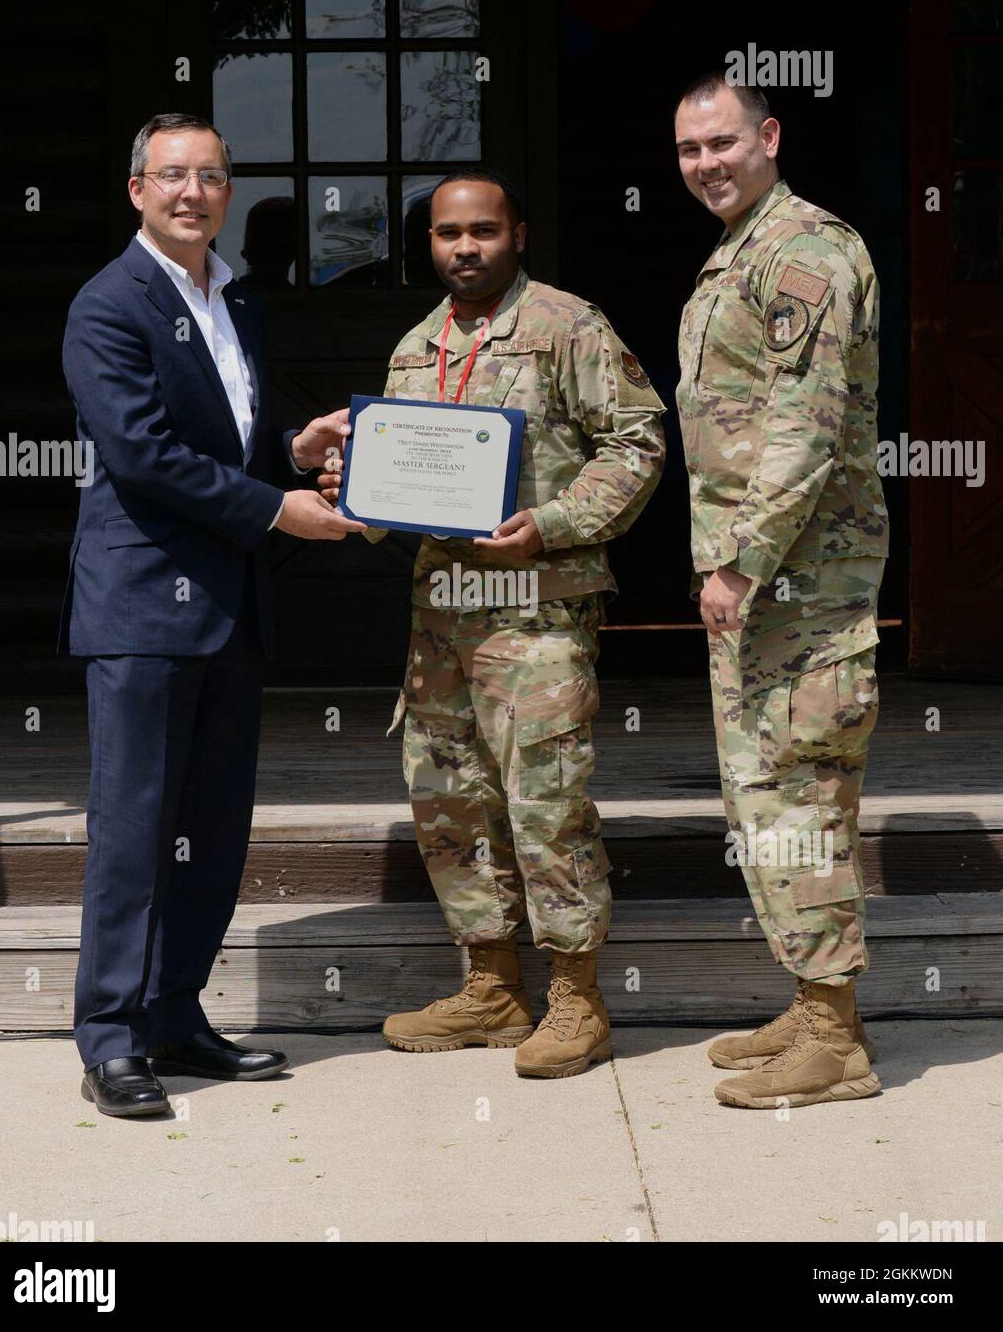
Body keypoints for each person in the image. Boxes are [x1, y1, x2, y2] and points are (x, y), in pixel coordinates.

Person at [319, 168, 666, 1079]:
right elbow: (404, 482)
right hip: (443, 611)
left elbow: (639, 443)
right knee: (450, 797)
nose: (463, 248)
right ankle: (491, 988)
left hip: (537, 606)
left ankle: (577, 1000)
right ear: (426, 243)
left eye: (481, 231)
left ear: (517, 233)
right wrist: (354, 492)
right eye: (445, 234)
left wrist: (551, 524)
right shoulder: (415, 347)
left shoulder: (566, 325)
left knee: (547, 801)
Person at [60, 112, 364, 1117]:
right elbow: (145, 455)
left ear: (229, 191)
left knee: (213, 828)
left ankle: (176, 1015)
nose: (193, 191)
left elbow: (222, 442)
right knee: (135, 830)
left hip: (229, 605)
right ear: (137, 189)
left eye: (211, 177)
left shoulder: (234, 295)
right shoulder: (108, 305)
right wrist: (279, 507)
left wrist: (289, 443)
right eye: (172, 175)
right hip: (145, 605)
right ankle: (110, 1038)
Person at [673, 74, 890, 1108]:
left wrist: (740, 559)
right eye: (687, 150)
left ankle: (838, 1037)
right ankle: (810, 1002)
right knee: (769, 798)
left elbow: (803, 423)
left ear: (767, 136)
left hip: (798, 587)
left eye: (721, 142)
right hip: (769, 589)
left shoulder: (802, 248)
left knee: (799, 795)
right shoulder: (740, 252)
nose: (706, 163)